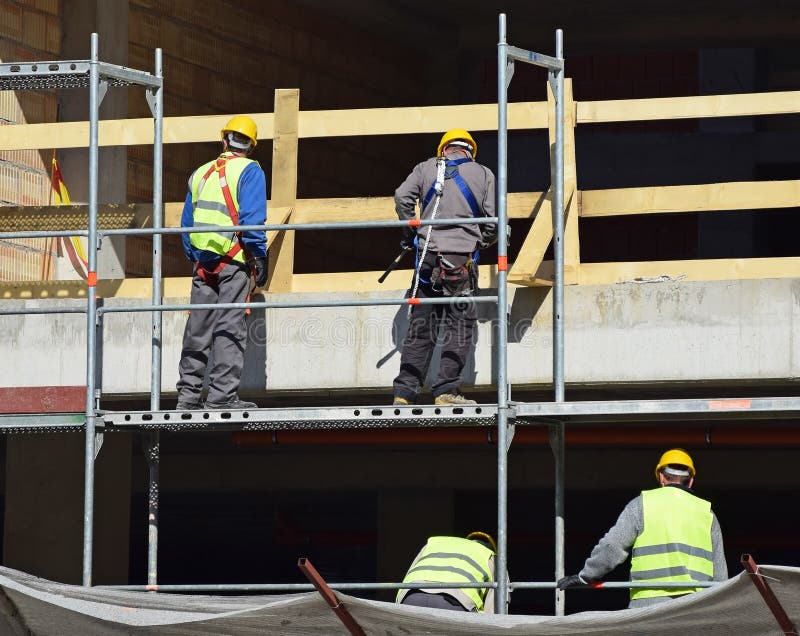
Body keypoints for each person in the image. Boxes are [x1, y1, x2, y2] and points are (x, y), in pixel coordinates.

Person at [392, 128, 496, 406]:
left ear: (443, 149)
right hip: (460, 259)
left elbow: (402, 196)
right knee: (459, 324)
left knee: (421, 324)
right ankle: (445, 392)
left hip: (426, 257)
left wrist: (411, 230)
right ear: (470, 151)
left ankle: (404, 393)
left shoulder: (425, 168)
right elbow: (493, 218)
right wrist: (481, 240)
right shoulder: (483, 173)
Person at [175, 115, 268, 410]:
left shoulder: (200, 173)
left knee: (198, 329)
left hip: (203, 264)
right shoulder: (250, 171)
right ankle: (221, 399)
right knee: (230, 328)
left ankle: (187, 399)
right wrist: (259, 254)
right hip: (233, 263)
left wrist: (194, 256)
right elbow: (252, 221)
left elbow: (187, 223)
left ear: (224, 140)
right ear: (251, 146)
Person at [557, 448, 728, 608]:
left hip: (648, 603)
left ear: (661, 477)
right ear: (691, 481)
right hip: (695, 606)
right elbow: (720, 574)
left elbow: (612, 546)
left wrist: (586, 576)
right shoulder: (707, 513)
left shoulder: (642, 505)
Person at [397, 531, 499, 613]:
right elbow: (493, 610)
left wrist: (397, 605)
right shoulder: (490, 556)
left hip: (411, 597)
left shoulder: (434, 543)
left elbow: (409, 576)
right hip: (454, 603)